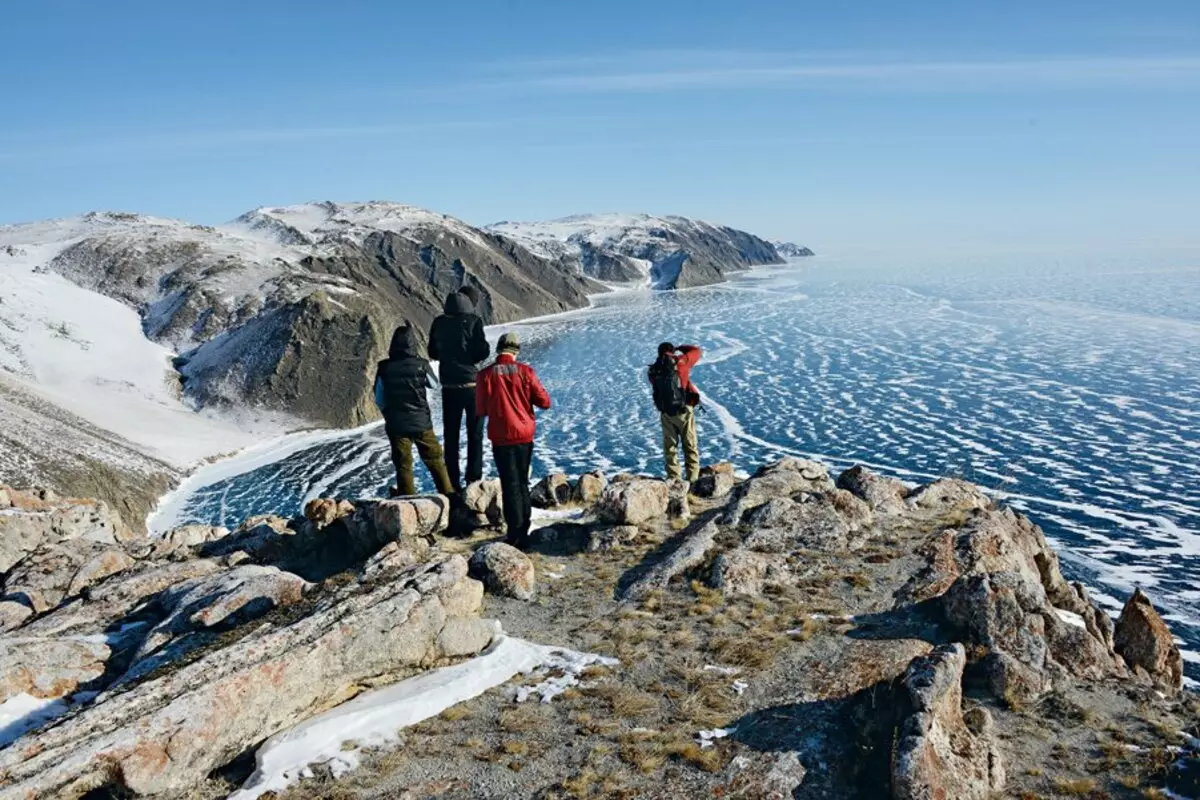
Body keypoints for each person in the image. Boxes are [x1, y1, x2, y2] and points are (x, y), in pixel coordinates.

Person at [475, 332, 551, 549]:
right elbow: (544, 401)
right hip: (524, 435)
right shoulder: (526, 372)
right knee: (523, 483)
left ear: (499, 349)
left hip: (501, 437)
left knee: (510, 485)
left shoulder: (485, 375)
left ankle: (515, 533)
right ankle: (524, 528)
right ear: (516, 350)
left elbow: (481, 409)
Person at [374, 324, 456, 498]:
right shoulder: (421, 365)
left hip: (396, 424)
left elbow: (379, 398)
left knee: (403, 464)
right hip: (421, 423)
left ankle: (408, 501)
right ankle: (449, 496)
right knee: (435, 460)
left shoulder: (384, 368)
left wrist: (389, 415)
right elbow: (434, 384)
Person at [428, 289, 490, 492]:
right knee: (475, 434)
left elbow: (432, 351)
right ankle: (473, 479)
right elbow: (482, 350)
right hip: (472, 386)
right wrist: (468, 358)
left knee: (451, 435)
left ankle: (451, 482)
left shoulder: (439, 322)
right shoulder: (474, 321)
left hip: (449, 387)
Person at [648, 341, 703, 483]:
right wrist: (679, 348)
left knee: (670, 447)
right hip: (683, 411)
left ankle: (674, 479)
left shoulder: (653, 370)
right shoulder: (681, 362)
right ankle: (693, 480)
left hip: (666, 413)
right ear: (672, 351)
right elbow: (696, 351)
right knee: (690, 444)